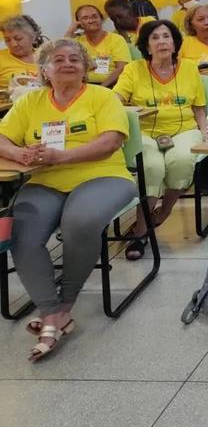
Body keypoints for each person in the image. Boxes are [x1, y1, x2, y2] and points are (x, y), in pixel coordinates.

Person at [0, 38, 137, 362]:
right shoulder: (30, 101)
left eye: (75, 59)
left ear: (86, 67)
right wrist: (18, 152)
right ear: (44, 70)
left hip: (103, 175)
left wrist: (61, 157)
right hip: (45, 180)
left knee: (80, 221)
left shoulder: (103, 97)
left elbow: (109, 143)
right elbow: (2, 137)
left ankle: (65, 302)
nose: (67, 63)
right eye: (58, 59)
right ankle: (53, 312)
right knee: (21, 232)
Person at [114, 20, 207, 260]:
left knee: (181, 160)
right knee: (152, 166)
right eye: (154, 38)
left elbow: (199, 108)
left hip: (184, 129)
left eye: (167, 36)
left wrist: (206, 133)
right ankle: (141, 230)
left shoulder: (189, 68)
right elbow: (116, 99)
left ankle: (164, 211)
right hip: (144, 131)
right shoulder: (133, 69)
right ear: (146, 46)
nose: (162, 42)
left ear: (175, 43)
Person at [67, 5, 129, 87]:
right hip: (83, 86)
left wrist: (101, 88)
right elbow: (62, 58)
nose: (91, 20)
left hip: (111, 85)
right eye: (85, 18)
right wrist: (70, 31)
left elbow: (122, 68)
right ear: (79, 23)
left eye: (94, 17)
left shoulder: (116, 39)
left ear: (101, 19)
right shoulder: (76, 41)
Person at [0, 14, 43, 88]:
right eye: (7, 40)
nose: (13, 44)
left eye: (18, 39)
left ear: (33, 37)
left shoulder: (46, 57)